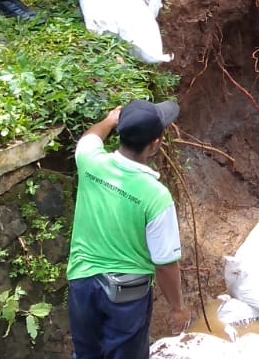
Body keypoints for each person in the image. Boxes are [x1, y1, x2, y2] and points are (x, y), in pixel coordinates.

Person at [67, 100, 194, 358]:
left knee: (87, 354)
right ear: (154, 144)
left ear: (120, 133)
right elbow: (165, 264)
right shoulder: (156, 196)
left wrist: (108, 121)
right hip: (126, 295)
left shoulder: (90, 161)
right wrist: (178, 308)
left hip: (82, 284)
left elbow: (90, 137)